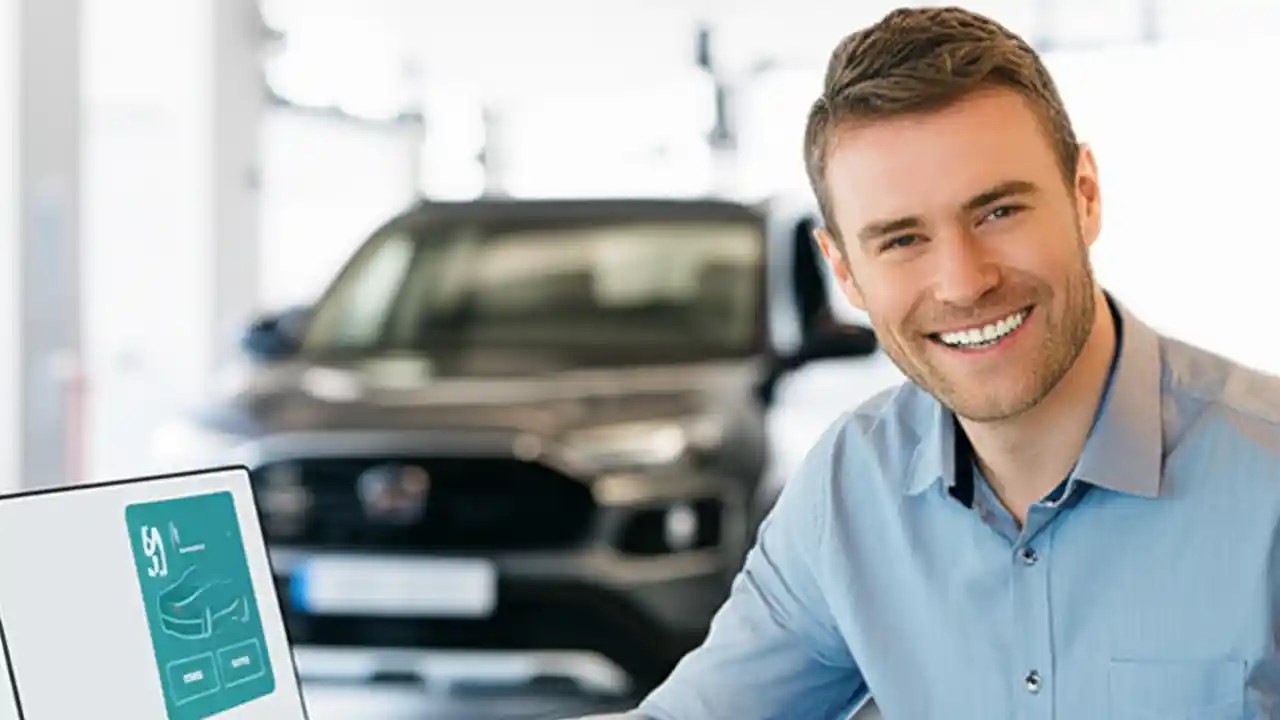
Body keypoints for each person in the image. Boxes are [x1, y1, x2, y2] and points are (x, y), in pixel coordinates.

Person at [579, 4, 1280, 719]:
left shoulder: (1268, 474)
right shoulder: (849, 492)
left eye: (998, 212)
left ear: (1085, 194)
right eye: (902, 240)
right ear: (845, 271)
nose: (964, 282)